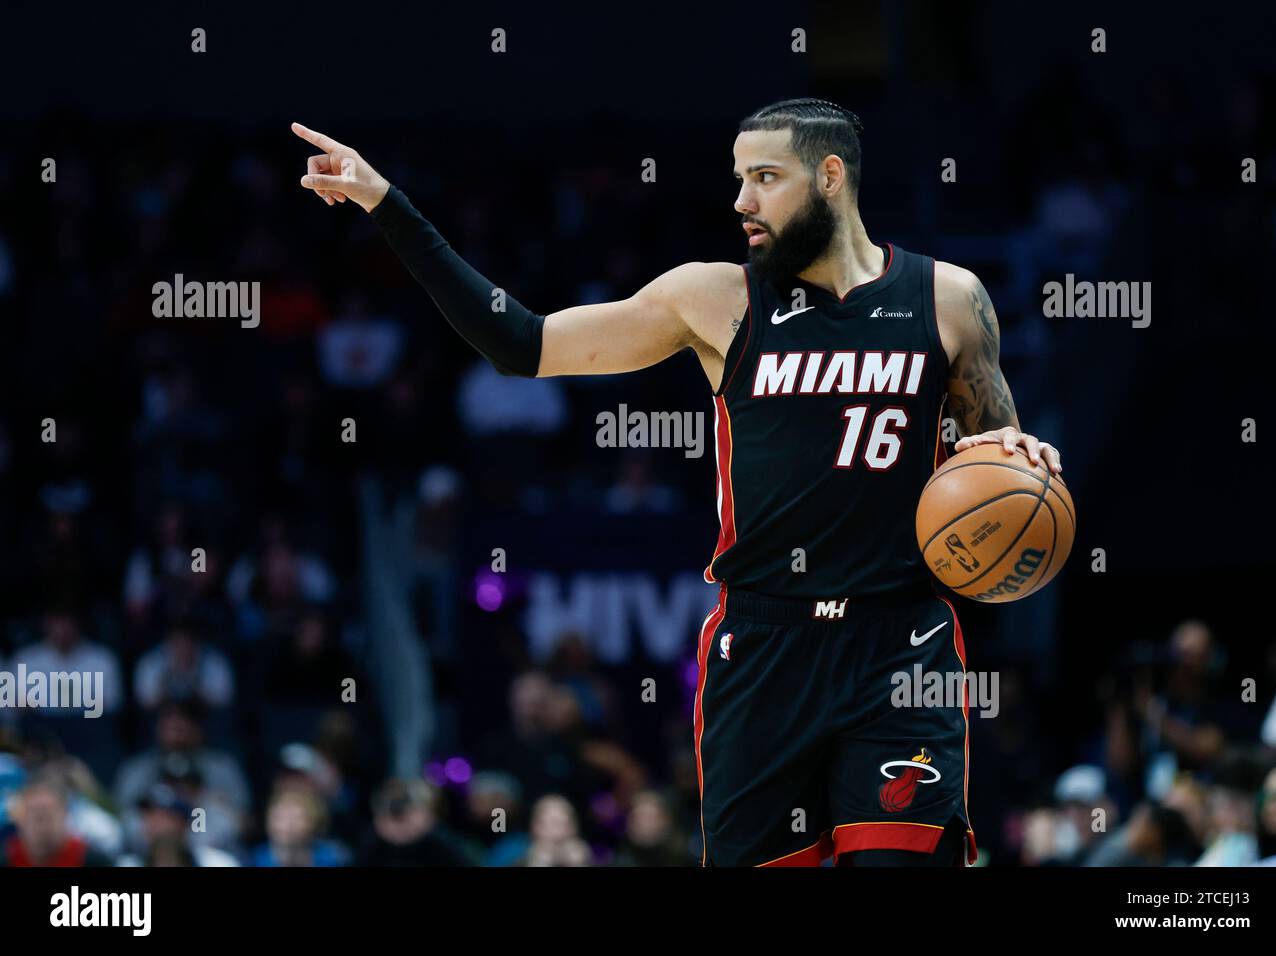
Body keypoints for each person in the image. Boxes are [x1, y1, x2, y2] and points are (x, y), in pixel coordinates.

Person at [290, 97, 1063, 867]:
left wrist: (1025, 465)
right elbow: (516, 341)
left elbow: (993, 462)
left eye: (765, 177)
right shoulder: (714, 296)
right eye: (738, 178)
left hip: (901, 645)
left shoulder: (949, 300)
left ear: (831, 177)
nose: (742, 201)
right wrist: (386, 203)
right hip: (763, 647)